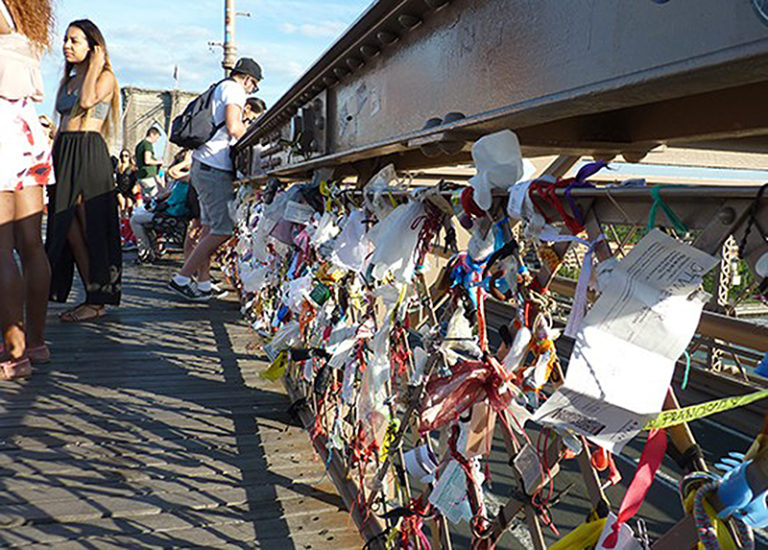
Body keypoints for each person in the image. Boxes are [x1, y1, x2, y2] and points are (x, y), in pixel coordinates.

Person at [45, 19, 121, 322]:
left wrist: (97, 63)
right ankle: (92, 292)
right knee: (66, 227)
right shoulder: (68, 80)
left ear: (92, 46)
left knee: (93, 225)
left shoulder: (104, 78)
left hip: (89, 150)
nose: (66, 45)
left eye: (74, 40)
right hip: (64, 151)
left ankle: (98, 300)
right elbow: (62, 122)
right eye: (66, 40)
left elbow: (88, 101)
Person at [168, 57, 261, 301]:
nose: (252, 90)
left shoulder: (220, 86)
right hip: (214, 167)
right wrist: (258, 142)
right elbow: (234, 126)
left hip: (203, 165)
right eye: (255, 86)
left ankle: (204, 284)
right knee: (223, 229)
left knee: (209, 227)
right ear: (249, 80)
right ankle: (182, 278)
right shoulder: (235, 90)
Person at [0, 0, 55, 378]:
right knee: (32, 244)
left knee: (1, 246)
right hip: (28, 128)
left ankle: (14, 354)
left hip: (2, 125)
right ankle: (36, 342)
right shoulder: (30, 12)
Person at [130, 149, 194, 264]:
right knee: (141, 217)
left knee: (135, 220)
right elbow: (166, 193)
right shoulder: (184, 179)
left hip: (174, 214)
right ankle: (152, 251)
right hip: (172, 212)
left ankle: (144, 253)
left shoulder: (189, 177)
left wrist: (186, 162)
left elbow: (171, 172)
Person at [135, 127, 163, 202]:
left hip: (141, 176)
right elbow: (147, 160)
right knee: (154, 197)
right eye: (156, 137)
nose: (156, 141)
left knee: (146, 199)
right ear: (151, 134)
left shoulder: (139, 145)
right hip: (148, 176)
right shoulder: (147, 145)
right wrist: (159, 162)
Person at [115, 149, 138, 214]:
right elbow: (117, 180)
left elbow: (135, 179)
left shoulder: (132, 168)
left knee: (129, 204)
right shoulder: (118, 168)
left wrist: (134, 188)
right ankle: (122, 220)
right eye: (122, 156)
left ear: (129, 157)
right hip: (120, 189)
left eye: (126, 156)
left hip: (129, 189)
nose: (124, 157)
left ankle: (129, 221)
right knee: (122, 204)